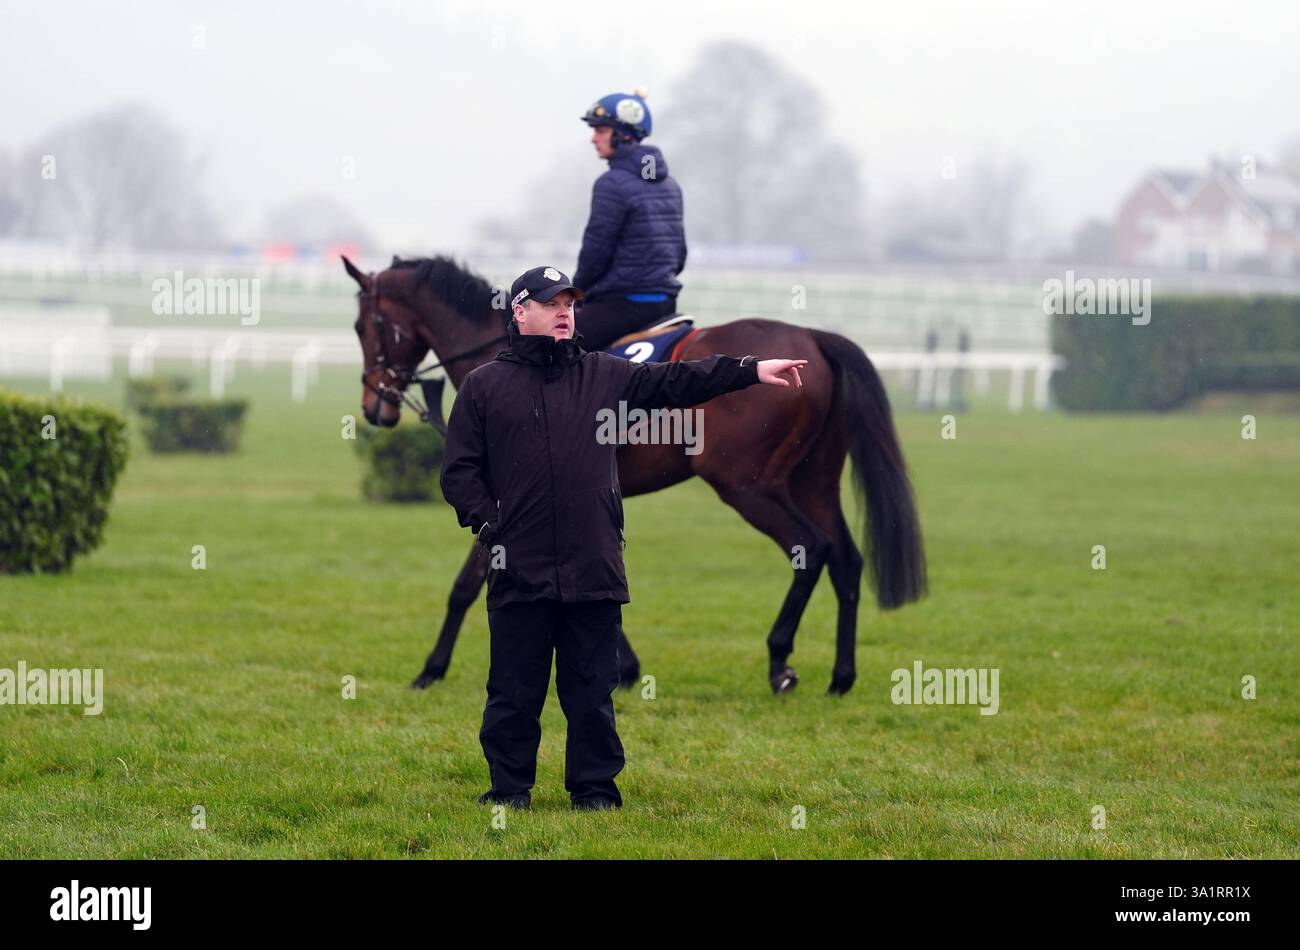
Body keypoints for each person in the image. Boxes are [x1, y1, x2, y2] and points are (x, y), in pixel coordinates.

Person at [439, 265, 807, 811]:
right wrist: (491, 528)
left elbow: (682, 381)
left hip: (594, 566)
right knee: (514, 695)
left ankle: (594, 792)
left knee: (591, 695)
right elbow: (459, 473)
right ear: (521, 311)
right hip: (519, 568)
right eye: (551, 303)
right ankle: (509, 791)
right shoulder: (483, 387)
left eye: (569, 302)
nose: (565, 311)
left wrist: (752, 370)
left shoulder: (605, 375)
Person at [573, 89, 686, 353]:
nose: (593, 138)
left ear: (623, 135)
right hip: (666, 304)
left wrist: (574, 292)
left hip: (622, 307)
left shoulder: (610, 184)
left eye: (600, 130)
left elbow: (595, 254)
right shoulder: (671, 184)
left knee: (550, 342)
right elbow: (679, 256)